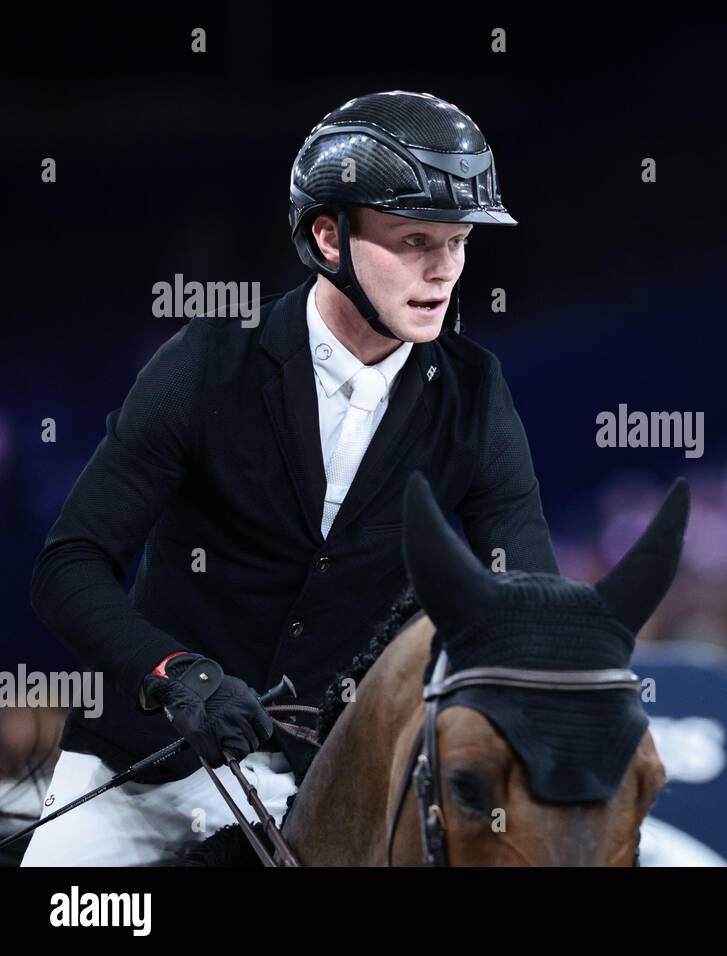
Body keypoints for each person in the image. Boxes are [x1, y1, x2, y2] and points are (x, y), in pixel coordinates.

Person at [23, 90, 558, 865]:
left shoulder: (476, 394)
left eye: (459, 242)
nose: (444, 271)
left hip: (331, 787)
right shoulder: (207, 364)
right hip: (145, 771)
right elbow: (67, 566)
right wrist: (172, 674)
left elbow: (528, 594)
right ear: (328, 237)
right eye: (414, 241)